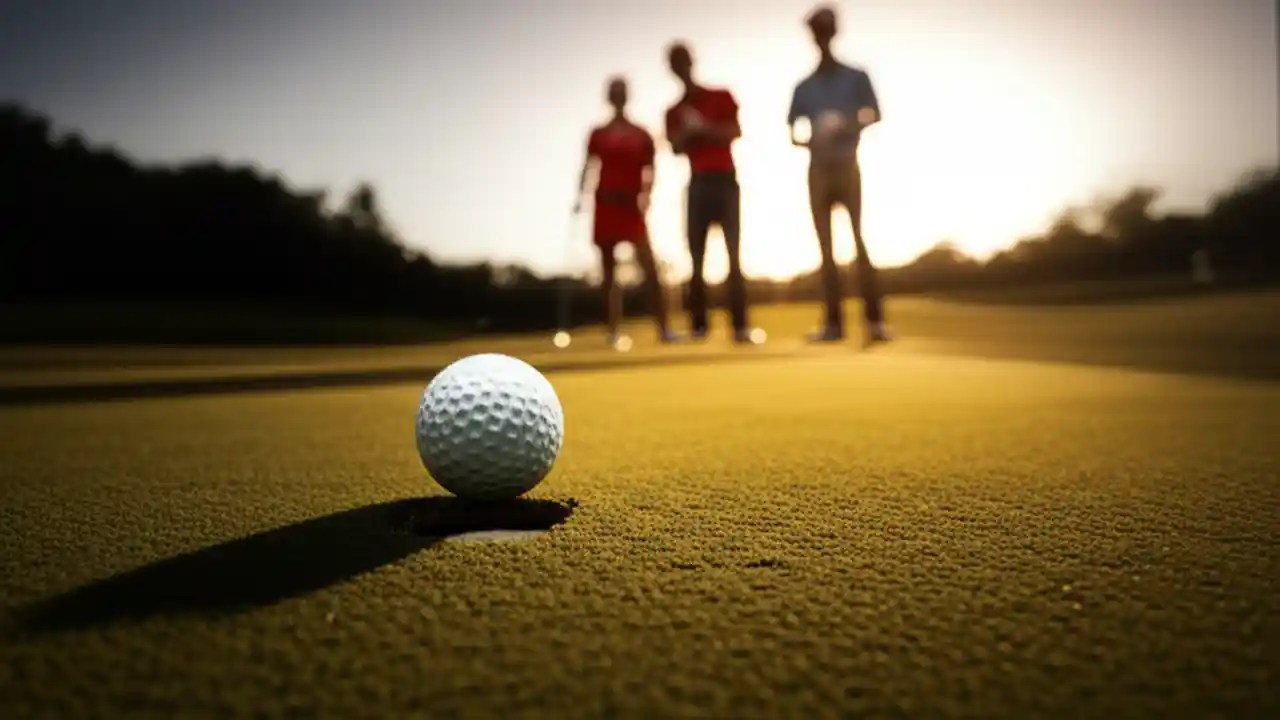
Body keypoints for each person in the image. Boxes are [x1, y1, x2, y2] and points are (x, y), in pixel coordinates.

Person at [787, 5, 891, 345]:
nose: (821, 36)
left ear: (834, 32)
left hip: (848, 165)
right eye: (817, 30)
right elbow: (792, 132)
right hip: (817, 169)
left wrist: (845, 124)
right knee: (825, 249)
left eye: (826, 29)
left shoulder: (856, 76)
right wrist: (810, 137)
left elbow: (875, 114)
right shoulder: (803, 86)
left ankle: (874, 323)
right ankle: (834, 325)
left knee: (859, 242)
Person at [664, 42, 762, 344]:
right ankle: (699, 328)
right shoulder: (673, 111)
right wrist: (690, 132)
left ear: (692, 61)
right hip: (698, 183)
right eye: (675, 62)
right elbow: (675, 146)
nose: (682, 66)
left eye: (684, 60)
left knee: (734, 255)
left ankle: (740, 327)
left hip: (725, 181)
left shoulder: (721, 95)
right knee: (696, 259)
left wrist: (703, 129)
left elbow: (734, 131)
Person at [575, 77, 677, 350]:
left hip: (631, 205)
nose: (617, 96)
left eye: (621, 92)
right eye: (614, 92)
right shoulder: (598, 133)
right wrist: (579, 196)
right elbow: (588, 166)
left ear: (626, 96)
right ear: (609, 97)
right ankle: (614, 332)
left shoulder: (641, 133)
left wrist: (648, 195)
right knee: (609, 273)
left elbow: (650, 168)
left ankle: (664, 328)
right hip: (605, 203)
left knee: (649, 269)